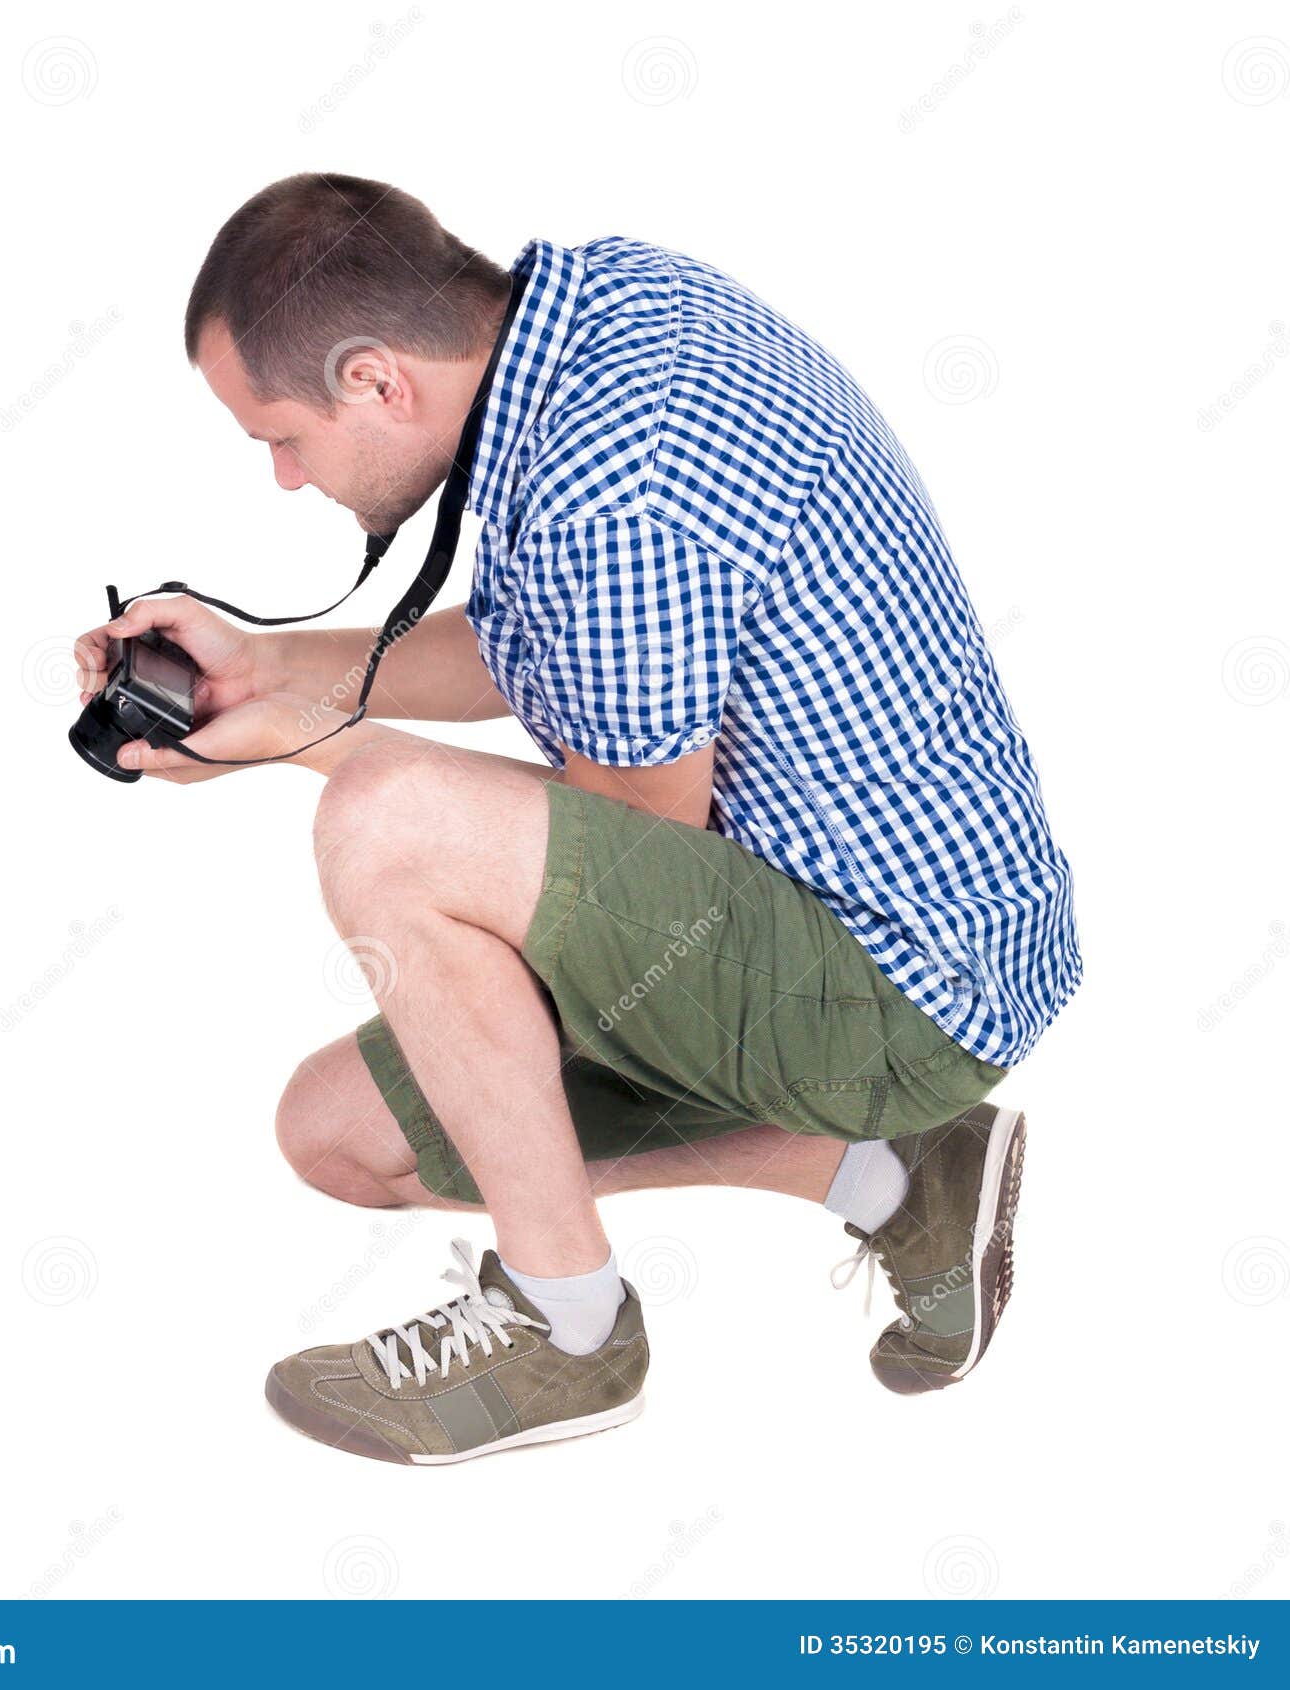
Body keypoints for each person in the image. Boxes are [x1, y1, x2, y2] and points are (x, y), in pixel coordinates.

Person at [74, 173, 1081, 1465]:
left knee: (382, 820)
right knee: (340, 1139)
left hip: (906, 978)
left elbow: (636, 853)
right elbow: (553, 646)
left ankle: (568, 1326)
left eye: (283, 436)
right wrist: (267, 669)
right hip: (836, 917)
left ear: (376, 381)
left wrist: (303, 748)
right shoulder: (601, 313)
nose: (282, 476)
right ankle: (900, 1173)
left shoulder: (619, 489)